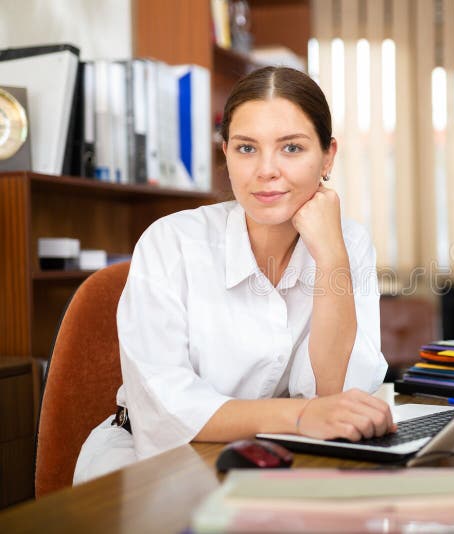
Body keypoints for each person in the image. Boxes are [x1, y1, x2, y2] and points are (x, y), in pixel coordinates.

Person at [74, 66, 394, 483]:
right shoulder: (170, 242)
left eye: (291, 148)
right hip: (152, 456)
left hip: (274, 451)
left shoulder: (347, 241)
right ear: (225, 153)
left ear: (328, 156)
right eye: (246, 149)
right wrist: (302, 414)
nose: (266, 170)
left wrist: (332, 257)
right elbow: (168, 405)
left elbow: (337, 397)